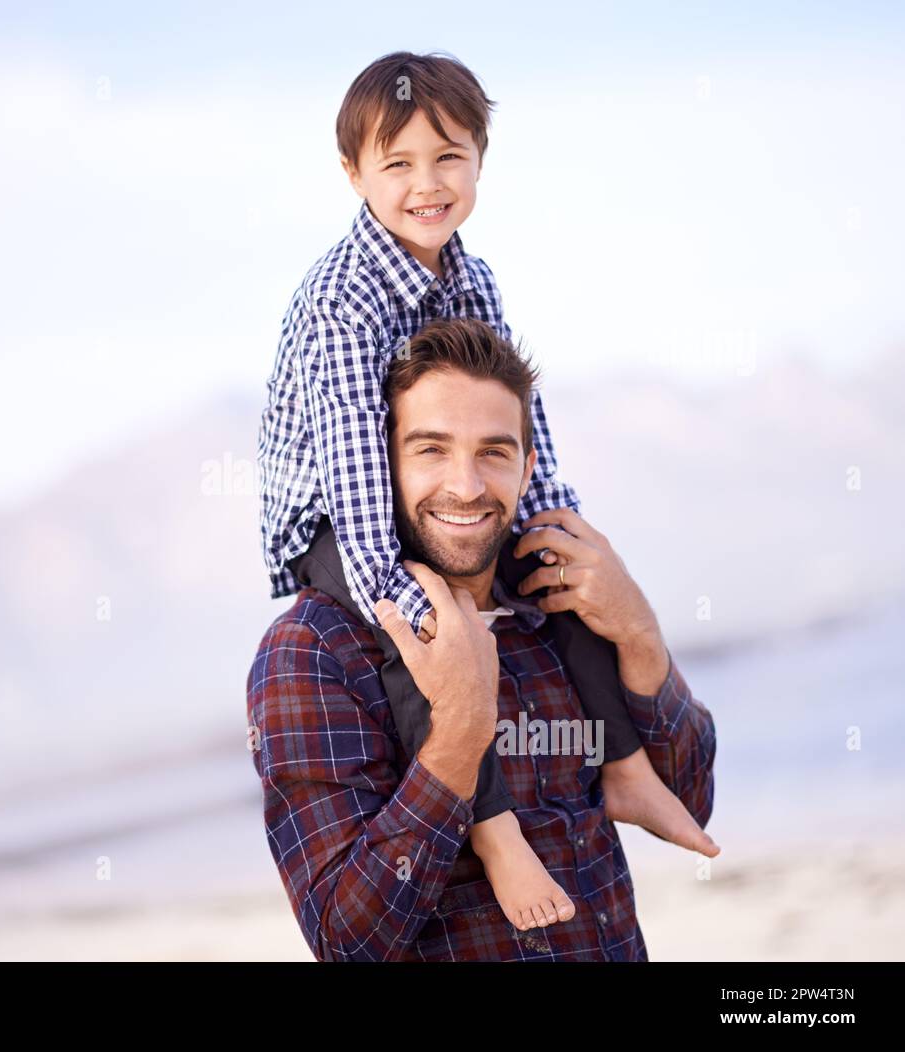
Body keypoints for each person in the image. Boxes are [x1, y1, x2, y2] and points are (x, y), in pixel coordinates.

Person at [257, 50, 716, 929]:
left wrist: (560, 532)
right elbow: (359, 479)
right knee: (412, 627)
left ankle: (622, 764)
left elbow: (521, 429)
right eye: (397, 164)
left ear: (480, 161)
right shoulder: (342, 303)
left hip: (411, 504)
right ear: (352, 173)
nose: (427, 184)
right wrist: (412, 599)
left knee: (558, 561)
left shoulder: (476, 279)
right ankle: (494, 823)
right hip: (328, 518)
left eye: (449, 158)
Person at [246, 317, 718, 960]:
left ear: (527, 469)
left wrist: (638, 635)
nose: (465, 487)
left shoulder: (558, 612)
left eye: (493, 452)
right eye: (431, 449)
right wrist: (459, 739)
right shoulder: (314, 651)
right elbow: (345, 939)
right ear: (380, 463)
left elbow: (690, 798)